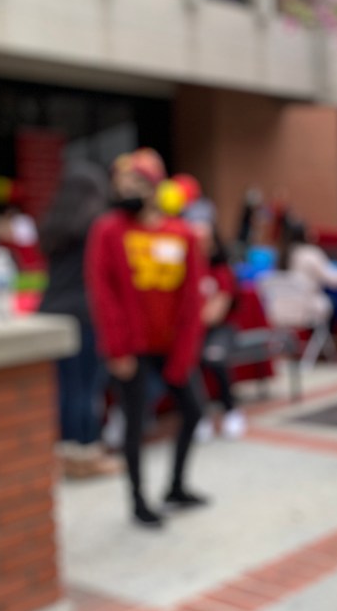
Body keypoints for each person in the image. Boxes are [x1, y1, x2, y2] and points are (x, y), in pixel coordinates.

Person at [85, 148, 210, 527]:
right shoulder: (109, 230)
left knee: (193, 409)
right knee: (136, 422)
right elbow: (102, 293)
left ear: (155, 187)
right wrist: (117, 349)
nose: (127, 191)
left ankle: (176, 486)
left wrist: (185, 351)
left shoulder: (181, 233)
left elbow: (192, 297)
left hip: (171, 344)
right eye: (121, 184)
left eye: (135, 183)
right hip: (132, 347)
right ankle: (138, 500)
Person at [37, 161, 120, 479]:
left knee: (64, 389)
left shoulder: (53, 223)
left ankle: (65, 455)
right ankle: (87, 455)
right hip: (84, 314)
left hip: (50, 312)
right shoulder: (97, 225)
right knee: (87, 389)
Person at [187, 203, 247, 440]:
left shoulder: (221, 271)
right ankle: (198, 414)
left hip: (220, 330)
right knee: (186, 361)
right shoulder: (186, 271)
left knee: (213, 356)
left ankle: (230, 410)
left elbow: (214, 313)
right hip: (192, 331)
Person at [278, 220, 337, 291]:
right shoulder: (310, 254)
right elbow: (335, 281)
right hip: (308, 306)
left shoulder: (285, 254)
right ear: (304, 235)